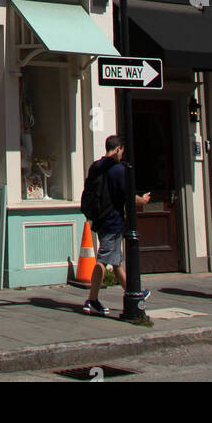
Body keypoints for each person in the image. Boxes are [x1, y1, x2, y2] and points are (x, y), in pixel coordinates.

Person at [81, 135, 150, 317]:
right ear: (118, 149)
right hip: (113, 219)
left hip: (99, 218)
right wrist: (142, 200)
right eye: (122, 151)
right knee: (103, 260)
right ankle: (92, 300)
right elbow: (127, 194)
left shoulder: (96, 167)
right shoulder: (118, 169)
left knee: (115, 261)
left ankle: (133, 291)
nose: (122, 154)